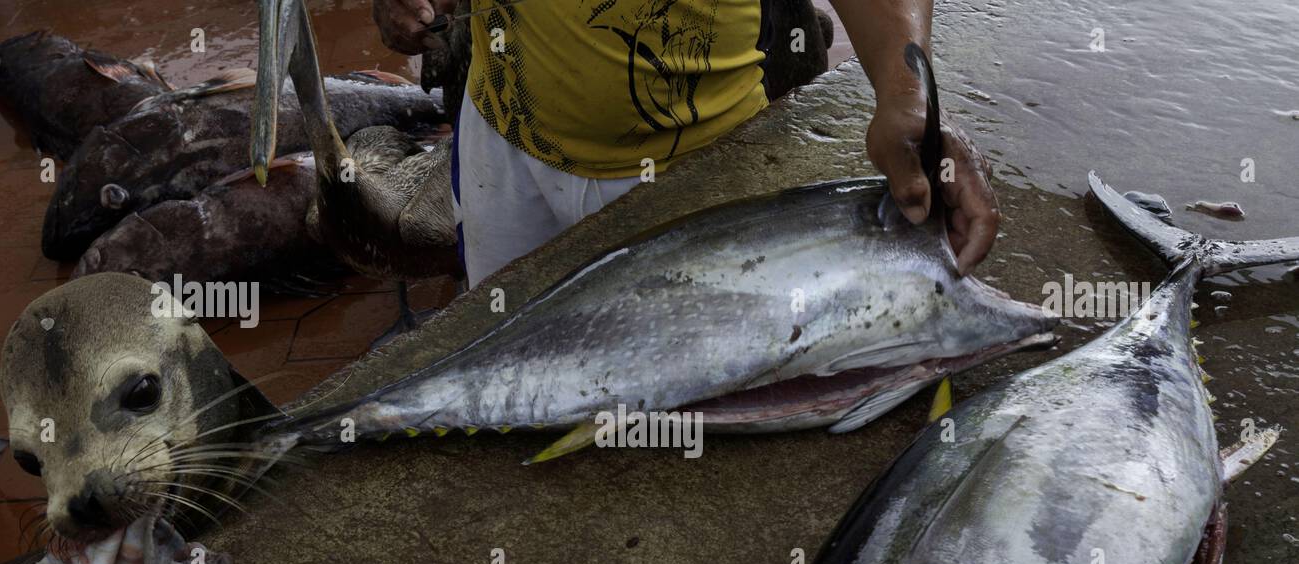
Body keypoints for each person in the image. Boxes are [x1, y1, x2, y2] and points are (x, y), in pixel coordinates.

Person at [372, 0, 999, 288]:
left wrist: (905, 93)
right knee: (506, 359)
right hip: (502, 139)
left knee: (683, 412)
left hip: (695, 170)